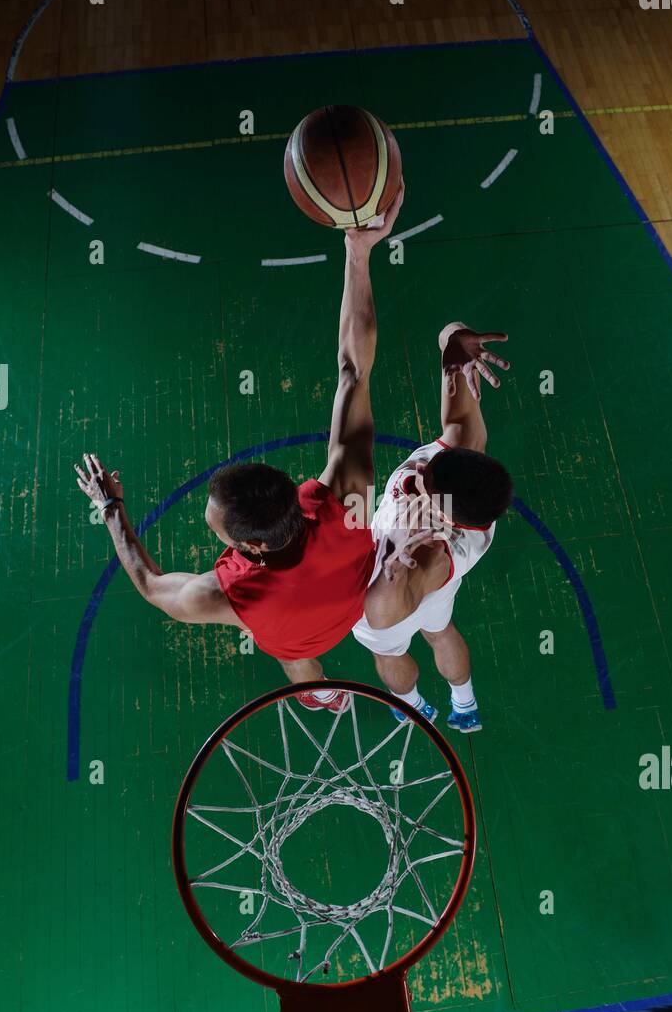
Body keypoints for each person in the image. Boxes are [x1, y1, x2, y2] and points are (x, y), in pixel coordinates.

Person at [74, 185, 405, 714]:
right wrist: (358, 253)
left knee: (291, 654)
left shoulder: (229, 595)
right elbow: (354, 369)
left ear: (252, 549)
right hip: (356, 596)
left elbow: (152, 584)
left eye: (219, 528)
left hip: (306, 638)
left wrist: (110, 508)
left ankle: (318, 691)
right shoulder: (347, 496)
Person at [351, 321, 512, 732]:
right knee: (440, 631)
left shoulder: (431, 556)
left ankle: (411, 705)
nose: (420, 467)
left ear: (446, 517)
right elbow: (450, 347)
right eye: (434, 462)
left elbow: (381, 616)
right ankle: (465, 703)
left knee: (390, 653)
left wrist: (390, 572)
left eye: (426, 479)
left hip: (402, 593)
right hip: (434, 595)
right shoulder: (462, 447)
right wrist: (455, 343)